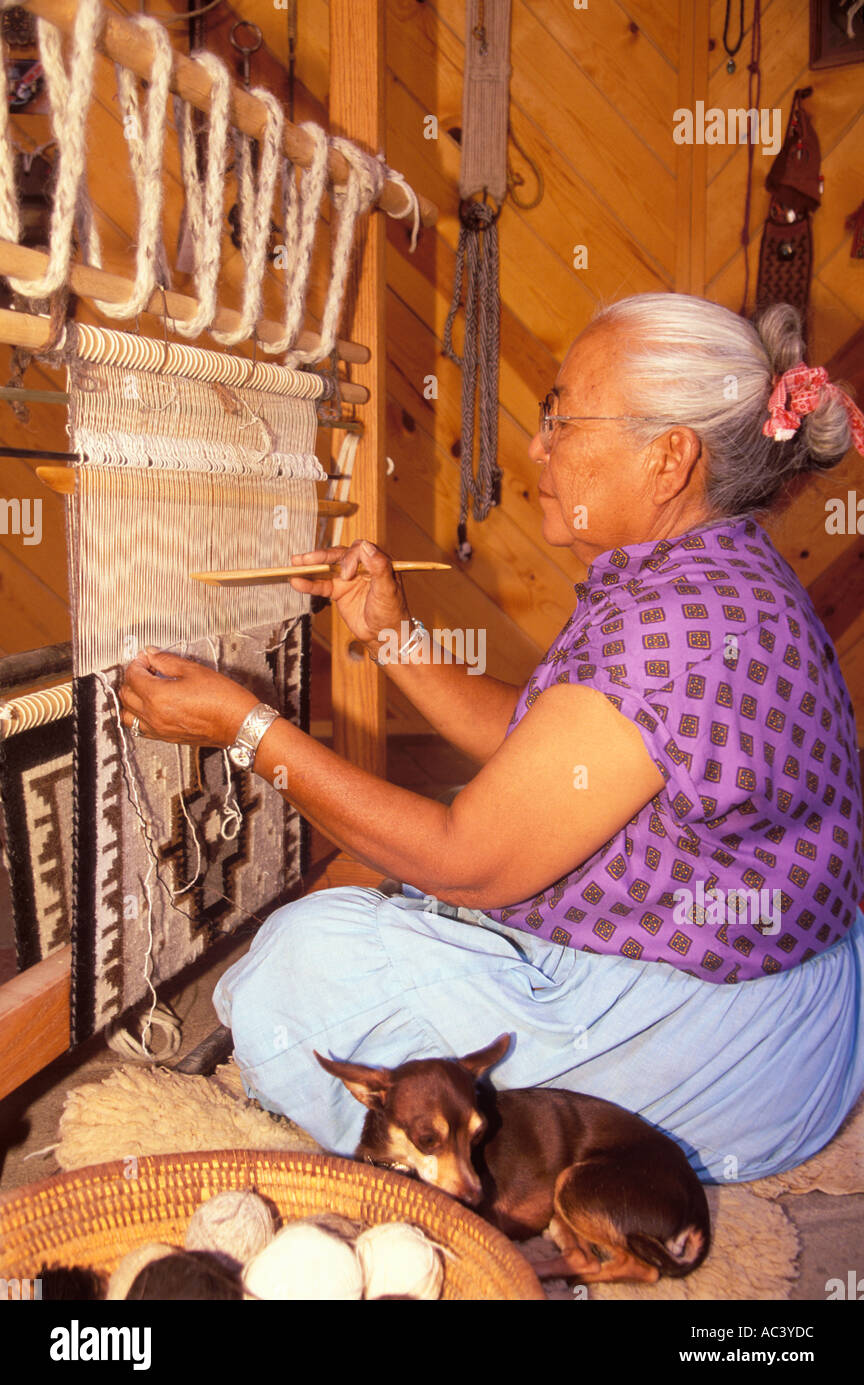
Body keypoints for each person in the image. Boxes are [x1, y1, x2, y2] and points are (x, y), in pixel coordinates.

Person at [119, 294, 864, 1183]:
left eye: (562, 419)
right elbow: (552, 745)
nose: (540, 446)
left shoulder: (681, 623)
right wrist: (391, 634)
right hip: (784, 1005)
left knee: (305, 962)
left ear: (669, 460)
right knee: (367, 889)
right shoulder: (712, 569)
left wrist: (242, 728)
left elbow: (469, 859)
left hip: (726, 1044)